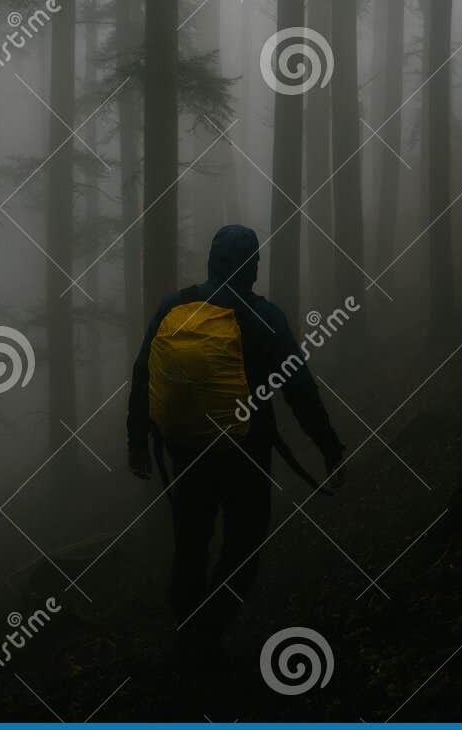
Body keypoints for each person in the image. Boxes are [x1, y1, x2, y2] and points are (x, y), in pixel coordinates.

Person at [127, 224, 344, 667]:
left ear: (212, 259)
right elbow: (299, 389)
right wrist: (328, 446)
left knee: (191, 543)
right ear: (252, 267)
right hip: (247, 454)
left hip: (187, 452)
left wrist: (137, 441)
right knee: (243, 545)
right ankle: (208, 630)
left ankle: (188, 634)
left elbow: (143, 373)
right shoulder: (266, 317)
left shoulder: (176, 305)